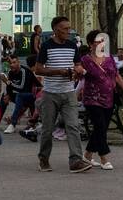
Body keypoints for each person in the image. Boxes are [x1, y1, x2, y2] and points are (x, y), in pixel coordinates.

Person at [33, 15, 90, 173]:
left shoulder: (72, 46)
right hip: (50, 93)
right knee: (47, 128)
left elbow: (78, 66)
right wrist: (58, 71)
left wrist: (77, 72)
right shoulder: (46, 46)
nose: (68, 31)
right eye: (65, 29)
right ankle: (43, 159)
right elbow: (38, 69)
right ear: (55, 30)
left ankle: (76, 161)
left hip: (69, 92)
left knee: (73, 126)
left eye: (69, 28)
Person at [80, 29, 123, 170]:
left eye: (103, 41)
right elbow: (78, 76)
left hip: (109, 97)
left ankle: (87, 155)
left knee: (101, 127)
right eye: (98, 41)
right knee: (100, 125)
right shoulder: (85, 60)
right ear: (91, 44)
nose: (101, 44)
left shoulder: (109, 59)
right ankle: (104, 157)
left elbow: (116, 75)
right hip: (92, 98)